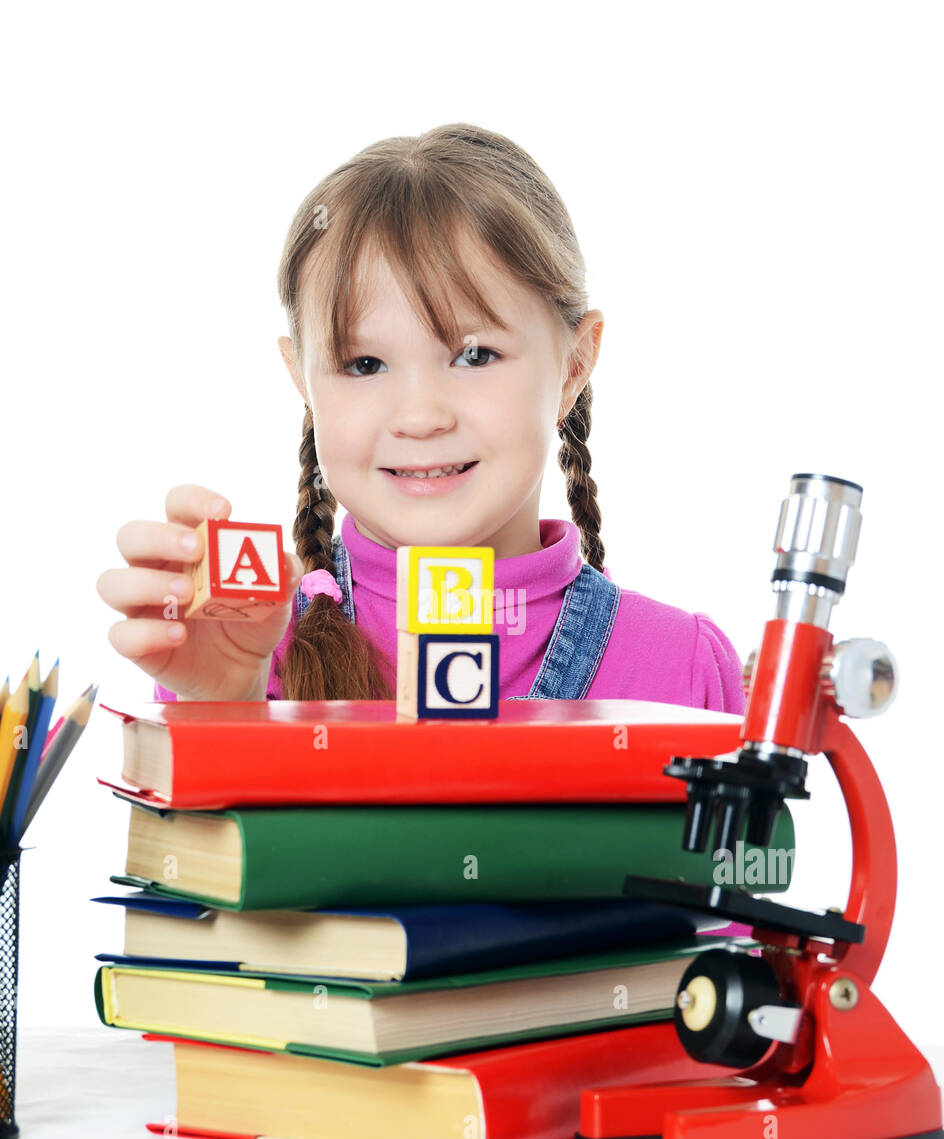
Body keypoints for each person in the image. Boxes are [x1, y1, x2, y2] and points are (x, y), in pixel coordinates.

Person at [97, 122, 746, 716]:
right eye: (365, 365)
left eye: (474, 355)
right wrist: (227, 704)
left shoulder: (684, 671)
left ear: (574, 366)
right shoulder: (243, 649)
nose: (419, 416)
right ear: (302, 378)